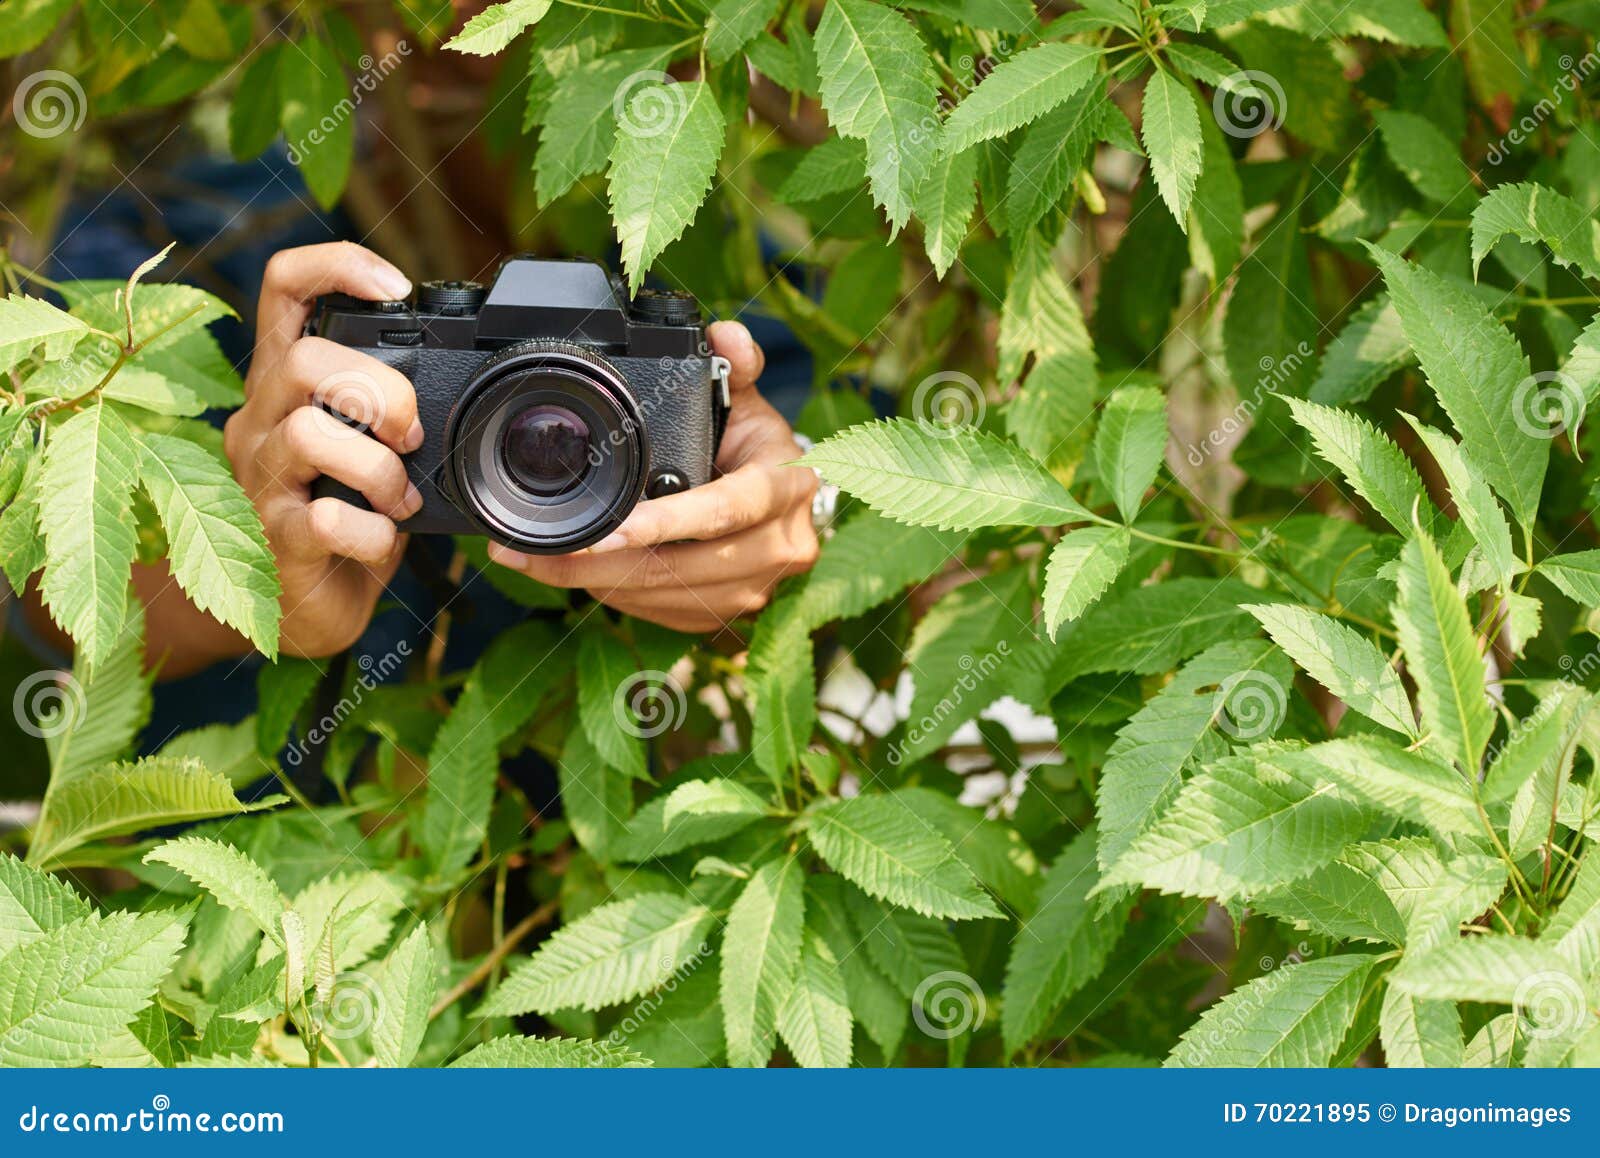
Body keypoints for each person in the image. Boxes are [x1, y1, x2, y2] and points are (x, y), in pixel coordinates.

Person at [21, 241, 822, 680]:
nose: (475, 21)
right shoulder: (197, 228)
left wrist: (786, 523)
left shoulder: (762, 276)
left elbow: (921, 550)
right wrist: (237, 575)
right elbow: (44, 601)